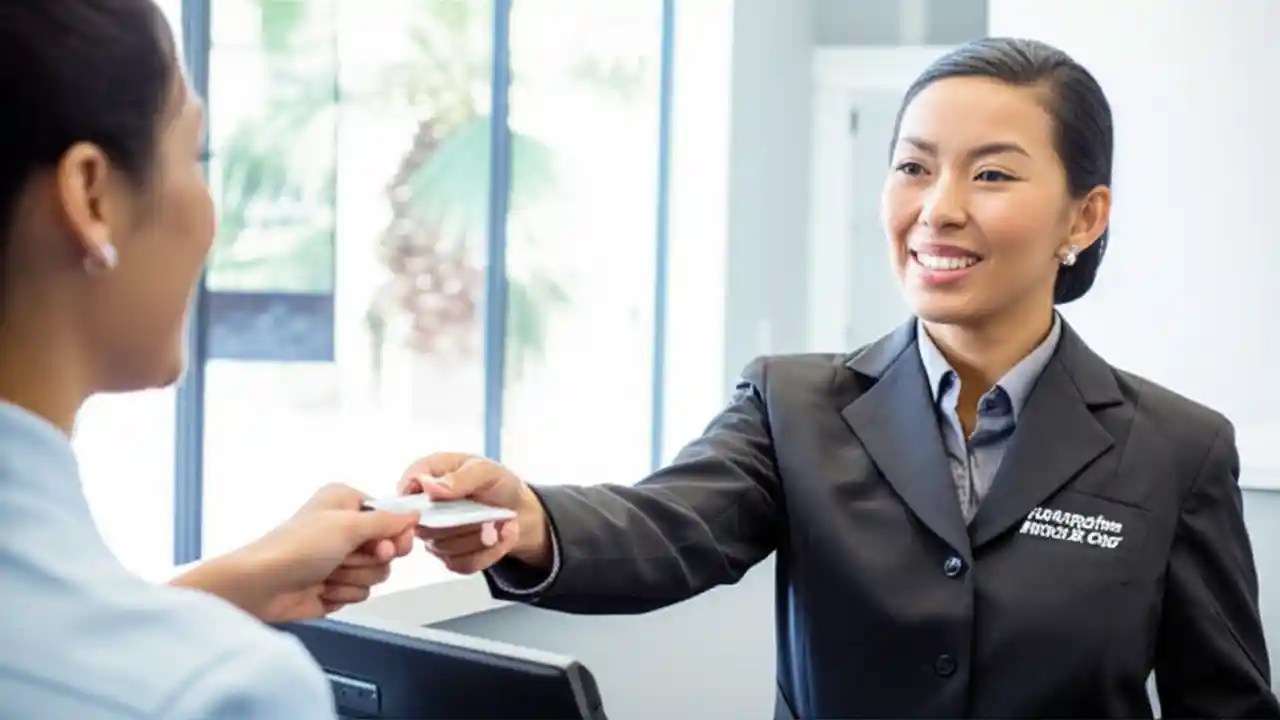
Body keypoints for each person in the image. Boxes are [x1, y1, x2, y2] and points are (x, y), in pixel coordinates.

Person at [401, 37, 1280, 718]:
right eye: (913, 166)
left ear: (1083, 217)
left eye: (993, 174)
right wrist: (529, 519)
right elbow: (665, 528)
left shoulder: (1177, 448)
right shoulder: (794, 405)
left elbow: (1225, 703)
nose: (939, 208)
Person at [0, 2, 421, 717]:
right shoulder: (233, 692)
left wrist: (225, 589)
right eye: (194, 156)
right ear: (91, 194)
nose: (208, 213)